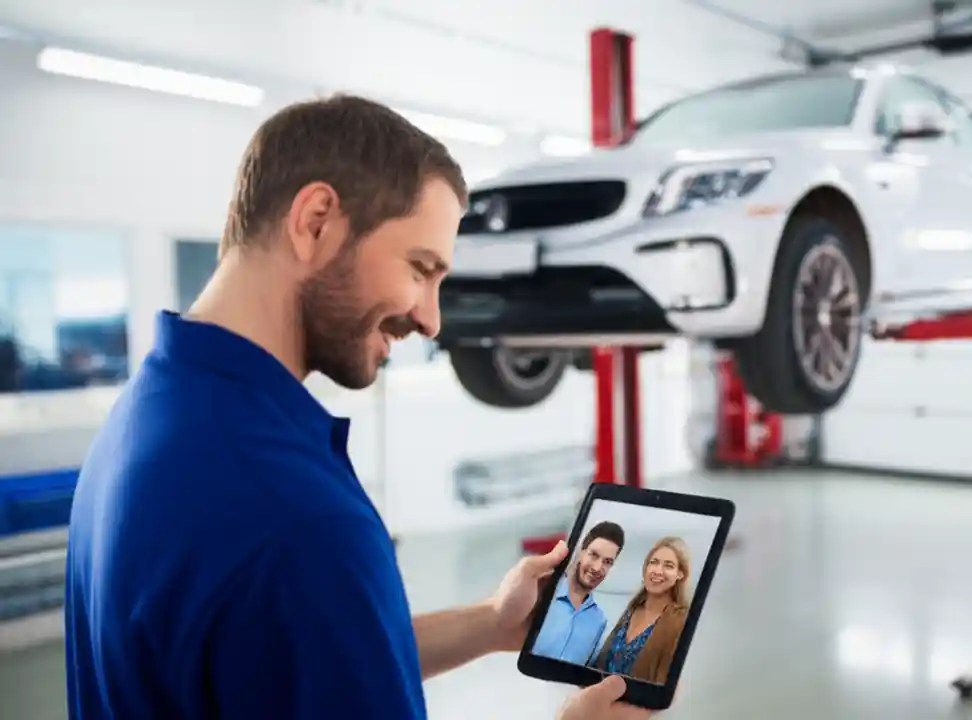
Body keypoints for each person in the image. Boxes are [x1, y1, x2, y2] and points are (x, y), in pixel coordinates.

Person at [63, 94, 649, 720]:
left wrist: (490, 625)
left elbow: (292, 656)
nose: (431, 318)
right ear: (316, 222)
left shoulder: (152, 411)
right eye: (421, 268)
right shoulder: (298, 514)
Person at [591, 537, 692, 685]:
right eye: (654, 562)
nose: (658, 571)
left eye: (668, 566)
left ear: (680, 574)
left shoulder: (680, 620)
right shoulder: (632, 610)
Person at [533, 521, 625, 664]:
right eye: (593, 555)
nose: (597, 567)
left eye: (607, 562)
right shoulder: (541, 593)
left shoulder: (599, 621)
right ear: (581, 552)